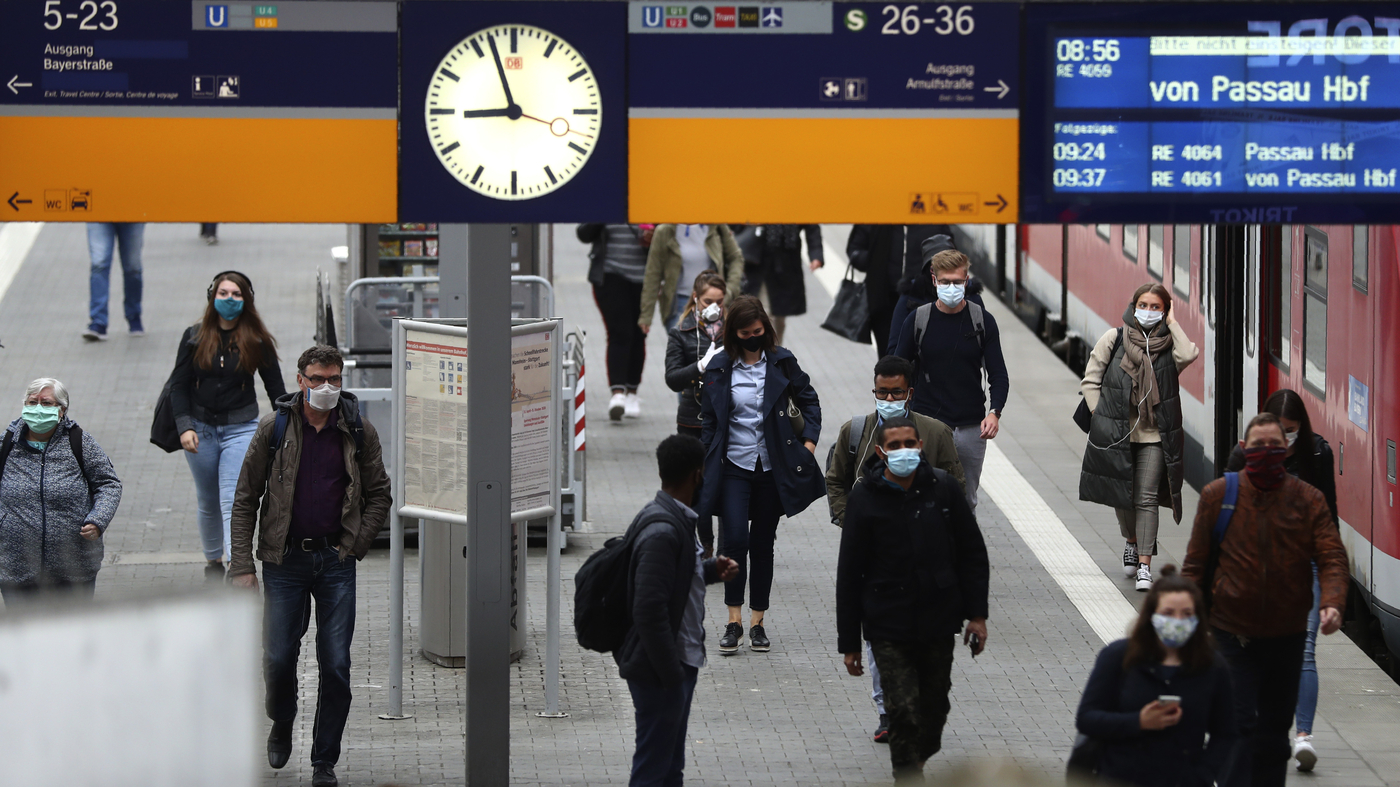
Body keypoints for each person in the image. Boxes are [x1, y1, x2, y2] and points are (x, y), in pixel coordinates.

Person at [229, 345, 392, 787]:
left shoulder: (358, 430)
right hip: (285, 561)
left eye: (334, 379)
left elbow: (380, 494)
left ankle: (324, 761)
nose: (326, 387)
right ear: (300, 380)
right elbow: (245, 499)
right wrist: (241, 565)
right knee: (278, 657)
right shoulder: (275, 428)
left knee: (336, 664)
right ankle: (282, 718)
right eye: (317, 379)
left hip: (335, 561)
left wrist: (354, 545)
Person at [1182, 412, 1349, 787]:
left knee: (1274, 735)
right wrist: (1185, 621)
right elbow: (1195, 565)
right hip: (1230, 634)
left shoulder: (1308, 500)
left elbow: (1331, 556)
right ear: (1244, 448)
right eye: (1259, 446)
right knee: (1239, 725)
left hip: (1286, 637)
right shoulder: (1217, 497)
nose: (1267, 452)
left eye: (1275, 445)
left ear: (1287, 450)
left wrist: (1333, 602)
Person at [836, 416, 988, 785]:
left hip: (938, 619)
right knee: (901, 709)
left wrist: (977, 615)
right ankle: (907, 776)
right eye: (894, 446)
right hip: (886, 621)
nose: (903, 451)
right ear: (880, 451)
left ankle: (917, 760)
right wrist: (850, 643)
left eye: (909, 444)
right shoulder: (864, 497)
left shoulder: (943, 488)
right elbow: (849, 572)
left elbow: (972, 552)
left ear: (920, 446)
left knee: (934, 708)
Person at [824, 355, 966, 744]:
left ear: (910, 392)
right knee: (880, 643)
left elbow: (956, 483)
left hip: (927, 567)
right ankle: (889, 712)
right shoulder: (855, 432)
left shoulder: (935, 433)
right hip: (878, 566)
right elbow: (835, 479)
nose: (889, 399)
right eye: (882, 392)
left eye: (896, 392)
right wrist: (849, 519)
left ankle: (917, 709)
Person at [697, 295, 824, 655]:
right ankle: (733, 620)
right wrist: (705, 461)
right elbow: (709, 420)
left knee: (763, 544)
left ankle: (757, 622)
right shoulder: (719, 367)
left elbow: (809, 400)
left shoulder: (782, 362)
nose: (753, 338)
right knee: (735, 539)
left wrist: (808, 445)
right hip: (734, 467)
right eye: (746, 333)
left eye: (758, 331)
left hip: (772, 467)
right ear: (733, 334)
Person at [615, 435, 739, 787]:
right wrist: (671, 675)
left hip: (674, 665)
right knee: (653, 770)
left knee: (670, 768)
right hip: (662, 670)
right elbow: (648, 609)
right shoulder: (663, 531)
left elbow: (671, 578)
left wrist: (711, 570)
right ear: (698, 475)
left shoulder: (673, 517)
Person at [1223, 391, 1336, 773]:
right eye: (1278, 430)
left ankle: (1303, 735)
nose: (1284, 439)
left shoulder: (1316, 453)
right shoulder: (1243, 456)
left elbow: (1329, 521)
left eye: (1291, 430)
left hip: (1304, 566)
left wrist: (1332, 590)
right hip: (1252, 565)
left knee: (1305, 648)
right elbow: (1220, 517)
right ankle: (1254, 724)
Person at [1080, 283, 1199, 592]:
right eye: (1143, 305)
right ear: (1133, 308)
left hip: (1154, 436)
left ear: (1165, 311)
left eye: (1156, 307)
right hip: (1118, 433)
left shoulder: (1169, 346)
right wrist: (1100, 417)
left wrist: (1173, 322)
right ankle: (1131, 541)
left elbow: (1189, 353)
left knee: (1146, 497)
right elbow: (1090, 381)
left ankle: (1144, 565)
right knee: (1123, 495)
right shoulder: (1114, 338)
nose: (1148, 311)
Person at [169, 271, 286, 582]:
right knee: (208, 498)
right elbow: (178, 386)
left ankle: (238, 566)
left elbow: (275, 389)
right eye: (223, 294)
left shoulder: (257, 340)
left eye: (236, 294)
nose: (230, 300)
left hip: (241, 429)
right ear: (212, 297)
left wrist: (288, 427)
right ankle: (213, 561)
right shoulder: (194, 336)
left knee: (232, 498)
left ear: (246, 300)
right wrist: (184, 426)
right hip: (200, 429)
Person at [1075, 565, 1237, 787]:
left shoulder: (1212, 666)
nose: (1177, 621)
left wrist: (1202, 775)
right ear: (1151, 615)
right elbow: (1087, 718)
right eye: (1168, 613)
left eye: (1186, 614)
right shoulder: (1118, 656)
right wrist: (1139, 721)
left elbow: (1226, 732)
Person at [892, 246, 1008, 517]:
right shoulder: (918, 320)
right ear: (934, 280)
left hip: (970, 428)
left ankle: (961, 544)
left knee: (965, 500)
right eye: (945, 282)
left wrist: (995, 412)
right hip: (926, 425)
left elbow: (998, 374)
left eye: (957, 282)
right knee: (922, 495)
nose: (951, 288)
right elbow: (897, 370)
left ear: (966, 281)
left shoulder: (982, 321)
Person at [0, 378, 122, 603]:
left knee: (73, 625)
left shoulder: (80, 442)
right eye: (32, 402)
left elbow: (108, 483)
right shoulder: (6, 443)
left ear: (62, 410)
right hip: (16, 568)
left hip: (73, 567)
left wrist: (98, 520)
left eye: (46, 403)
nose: (38, 409)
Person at [580, 223, 652, 422]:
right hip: (610, 275)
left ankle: (632, 392)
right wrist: (602, 214)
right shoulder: (605, 206)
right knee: (620, 332)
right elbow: (583, 234)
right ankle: (617, 393)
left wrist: (654, 235)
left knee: (639, 334)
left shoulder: (649, 206)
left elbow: (667, 236)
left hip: (645, 277)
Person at [846, 225, 951, 356]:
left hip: (921, 300)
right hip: (883, 301)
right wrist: (875, 260)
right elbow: (855, 249)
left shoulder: (933, 220)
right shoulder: (876, 220)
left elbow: (951, 255)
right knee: (888, 354)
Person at [638, 224, 745, 337]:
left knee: (710, 346)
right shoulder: (665, 231)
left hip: (713, 305)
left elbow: (736, 257)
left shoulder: (716, 226)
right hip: (678, 305)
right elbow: (653, 273)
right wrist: (646, 314)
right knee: (684, 346)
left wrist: (729, 290)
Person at [740, 225, 823, 346]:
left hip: (786, 267)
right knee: (764, 313)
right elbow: (735, 223)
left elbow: (812, 225)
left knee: (779, 317)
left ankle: (774, 349)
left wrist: (816, 254)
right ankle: (767, 351)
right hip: (758, 262)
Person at [84, 222, 145, 341]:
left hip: (132, 215)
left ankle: (134, 316)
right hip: (99, 214)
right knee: (99, 263)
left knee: (133, 267)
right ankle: (98, 321)